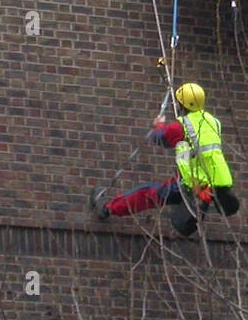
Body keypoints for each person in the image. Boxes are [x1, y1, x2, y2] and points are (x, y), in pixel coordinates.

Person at [90, 82, 240, 237]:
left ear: (182, 104)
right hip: (213, 181)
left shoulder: (181, 127)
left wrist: (158, 125)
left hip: (191, 183)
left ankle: (107, 209)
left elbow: (160, 138)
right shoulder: (214, 122)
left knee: (146, 194)